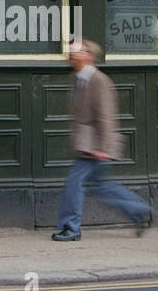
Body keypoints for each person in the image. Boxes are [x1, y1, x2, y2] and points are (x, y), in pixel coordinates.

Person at [52, 39, 152, 241]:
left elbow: (105, 116)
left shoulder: (99, 81)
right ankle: (140, 211)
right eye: (71, 50)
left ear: (89, 56)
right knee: (103, 187)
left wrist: (104, 147)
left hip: (94, 146)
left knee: (75, 182)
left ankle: (71, 228)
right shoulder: (76, 78)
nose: (72, 54)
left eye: (76, 51)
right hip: (84, 144)